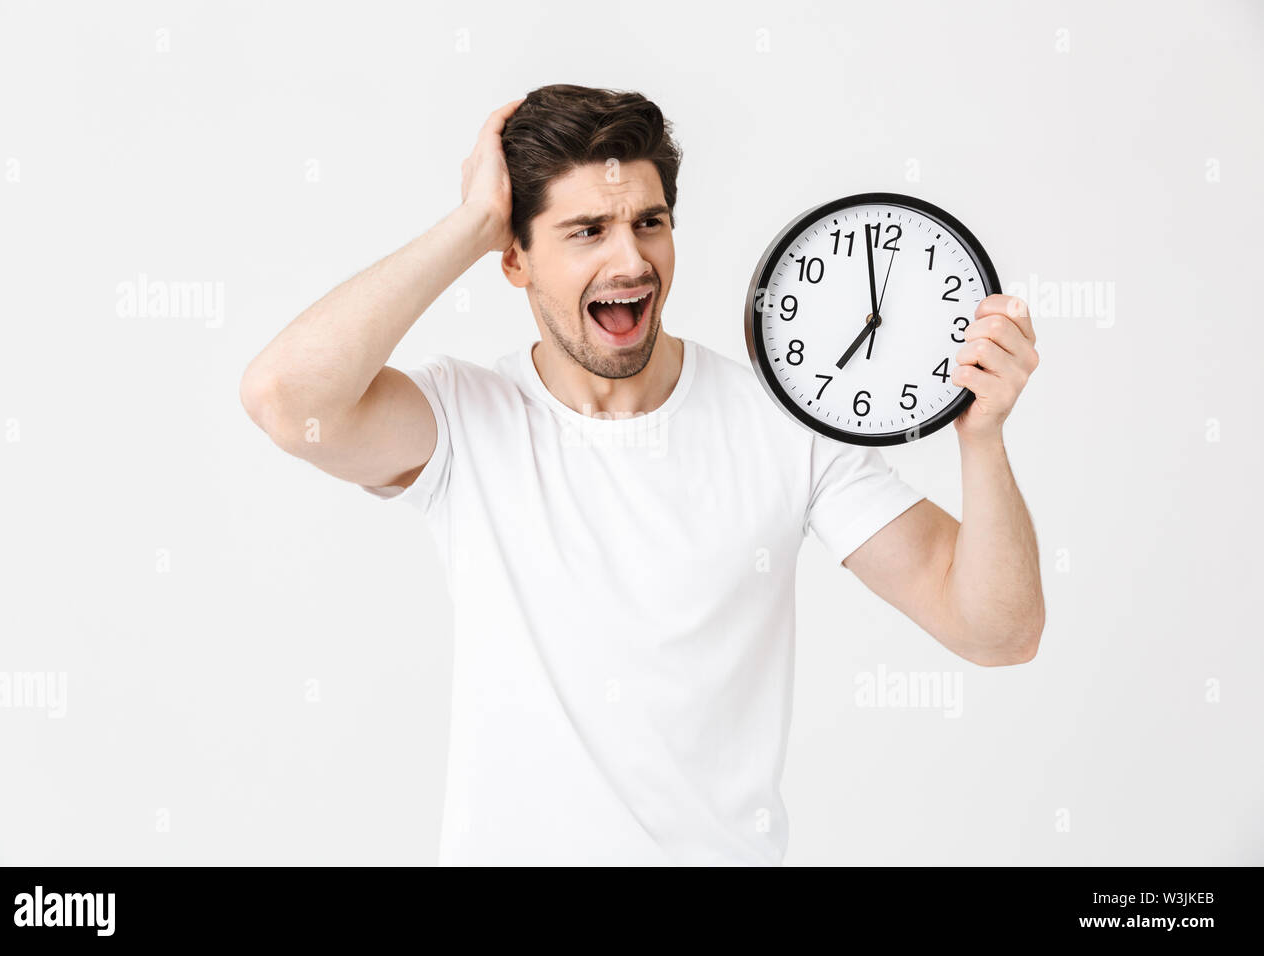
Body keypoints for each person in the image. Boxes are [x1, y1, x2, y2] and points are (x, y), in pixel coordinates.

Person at [239, 84, 1045, 866]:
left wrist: (983, 436)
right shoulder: (462, 421)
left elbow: (998, 631)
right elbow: (284, 399)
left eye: (649, 222)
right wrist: (474, 220)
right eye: (587, 230)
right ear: (514, 258)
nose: (632, 259)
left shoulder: (780, 423)